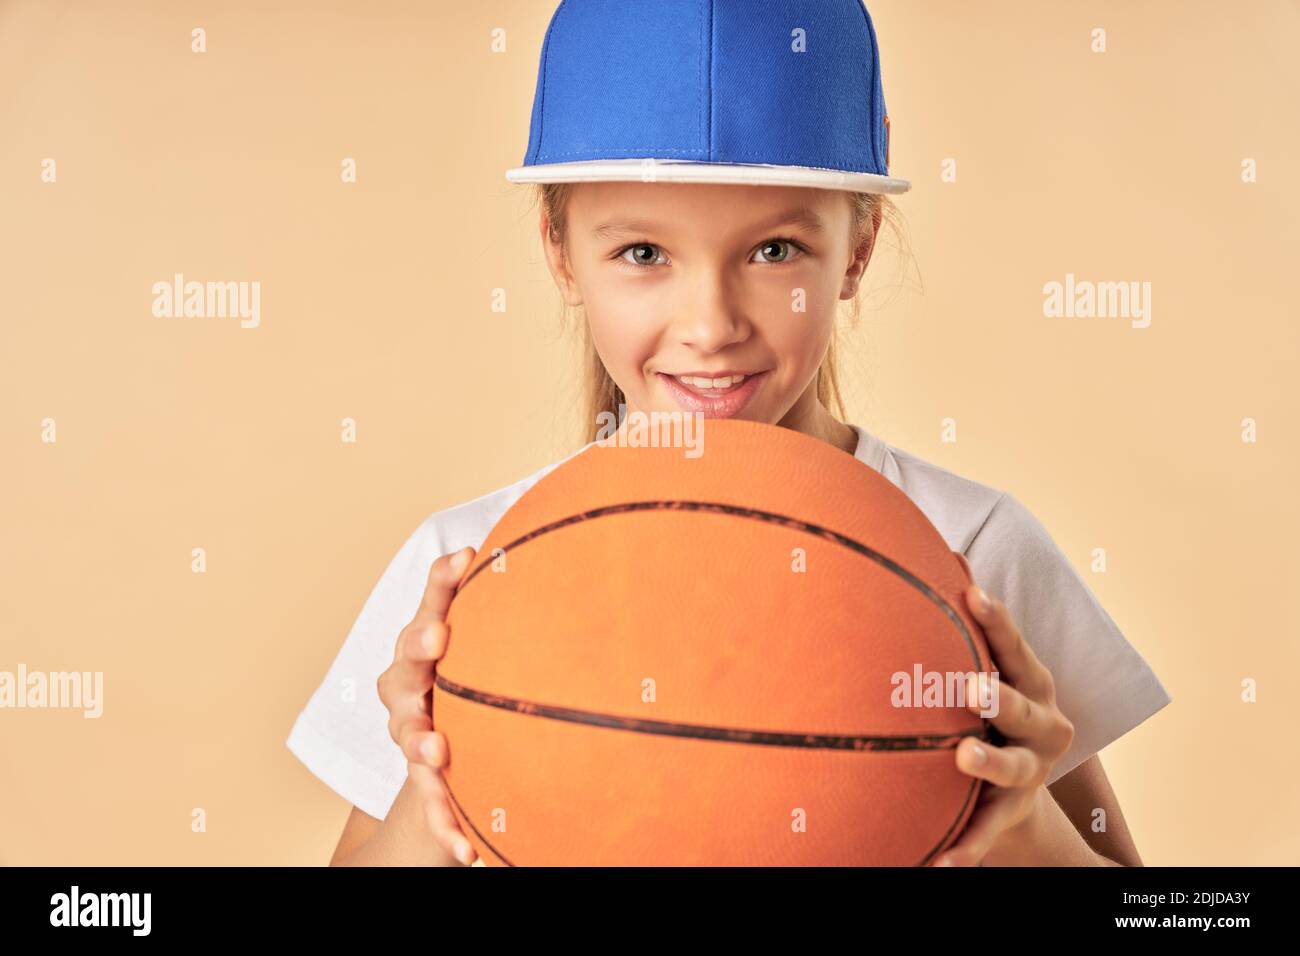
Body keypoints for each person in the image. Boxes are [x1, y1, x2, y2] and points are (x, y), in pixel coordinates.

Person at [286, 0, 1171, 867]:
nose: (710, 325)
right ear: (561, 255)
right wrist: (431, 780)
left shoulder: (976, 551)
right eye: (642, 254)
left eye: (774, 251)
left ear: (857, 248)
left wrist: (1022, 829)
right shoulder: (467, 562)